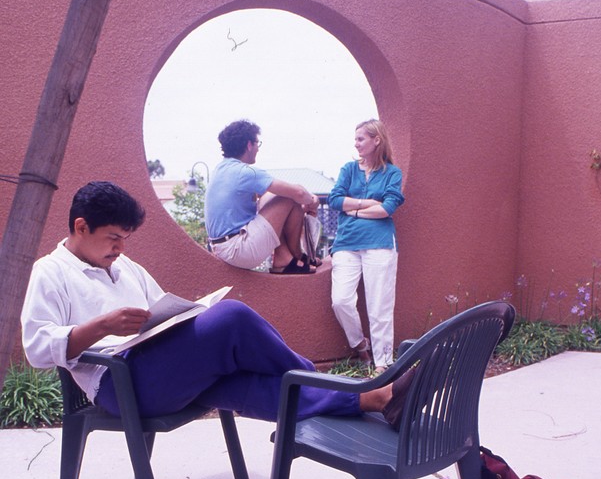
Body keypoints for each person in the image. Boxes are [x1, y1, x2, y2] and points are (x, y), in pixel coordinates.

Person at [21, 182, 412, 429]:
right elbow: (37, 349)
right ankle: (313, 376)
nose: (121, 248)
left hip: (160, 367)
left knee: (239, 383)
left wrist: (184, 315)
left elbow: (160, 309)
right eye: (112, 238)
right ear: (80, 227)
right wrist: (102, 326)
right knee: (232, 316)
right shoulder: (51, 272)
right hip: (119, 386)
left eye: (125, 238)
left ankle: (376, 398)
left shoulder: (124, 266)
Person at [328, 119, 404, 374]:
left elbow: (387, 209)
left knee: (379, 305)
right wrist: (366, 203)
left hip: (380, 243)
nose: (356, 143)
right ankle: (360, 344)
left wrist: (356, 211)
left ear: (376, 140)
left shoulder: (392, 173)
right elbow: (335, 199)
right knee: (341, 301)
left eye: (361, 138)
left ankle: (382, 363)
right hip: (346, 244)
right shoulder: (349, 169)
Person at [205, 119, 319, 275]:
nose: (258, 148)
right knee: (289, 197)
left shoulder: (220, 169)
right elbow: (297, 193)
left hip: (222, 247)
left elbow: (266, 196)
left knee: (269, 196)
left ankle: (283, 258)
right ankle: (299, 256)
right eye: (257, 143)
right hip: (238, 250)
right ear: (249, 145)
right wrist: (312, 200)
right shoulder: (245, 172)